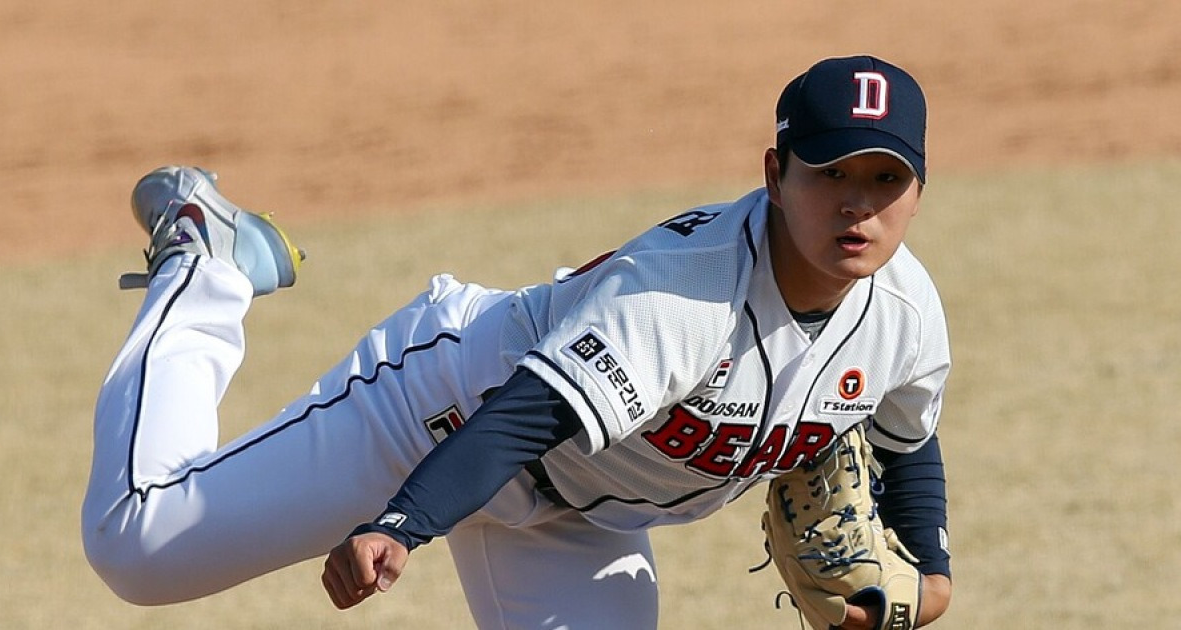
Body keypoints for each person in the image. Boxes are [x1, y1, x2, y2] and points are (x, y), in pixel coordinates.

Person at [83, 54, 952, 629]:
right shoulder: (684, 291)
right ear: (773, 174)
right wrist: (402, 524)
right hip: (441, 415)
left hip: (579, 521)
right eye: (829, 173)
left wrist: (933, 570)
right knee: (140, 548)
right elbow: (522, 418)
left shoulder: (906, 317)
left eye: (885, 178)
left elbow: (907, 440)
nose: (857, 204)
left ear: (917, 188)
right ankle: (206, 263)